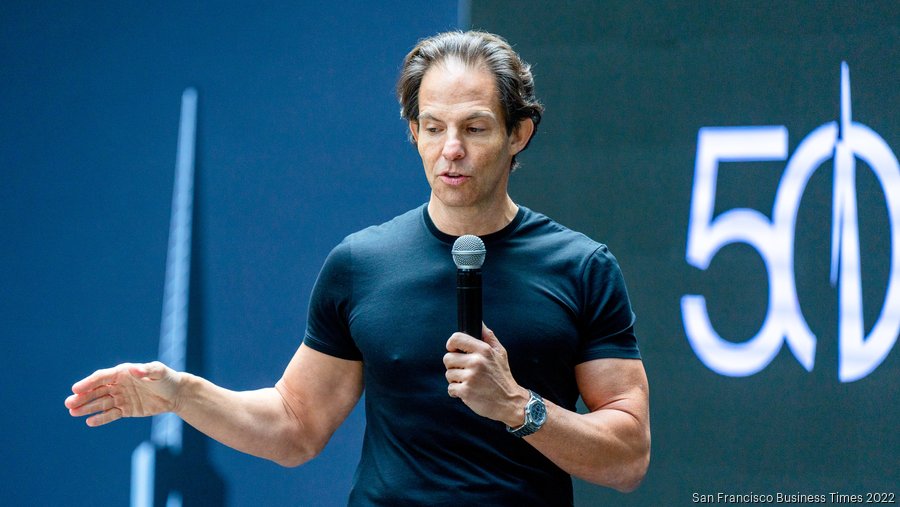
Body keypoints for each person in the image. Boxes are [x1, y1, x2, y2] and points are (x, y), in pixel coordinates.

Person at [65, 30, 650, 505]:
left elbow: (627, 459)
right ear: (413, 133)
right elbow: (296, 425)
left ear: (519, 134)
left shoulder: (581, 267)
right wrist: (180, 394)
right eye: (433, 127)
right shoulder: (362, 263)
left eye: (474, 128)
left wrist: (518, 408)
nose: (452, 149)